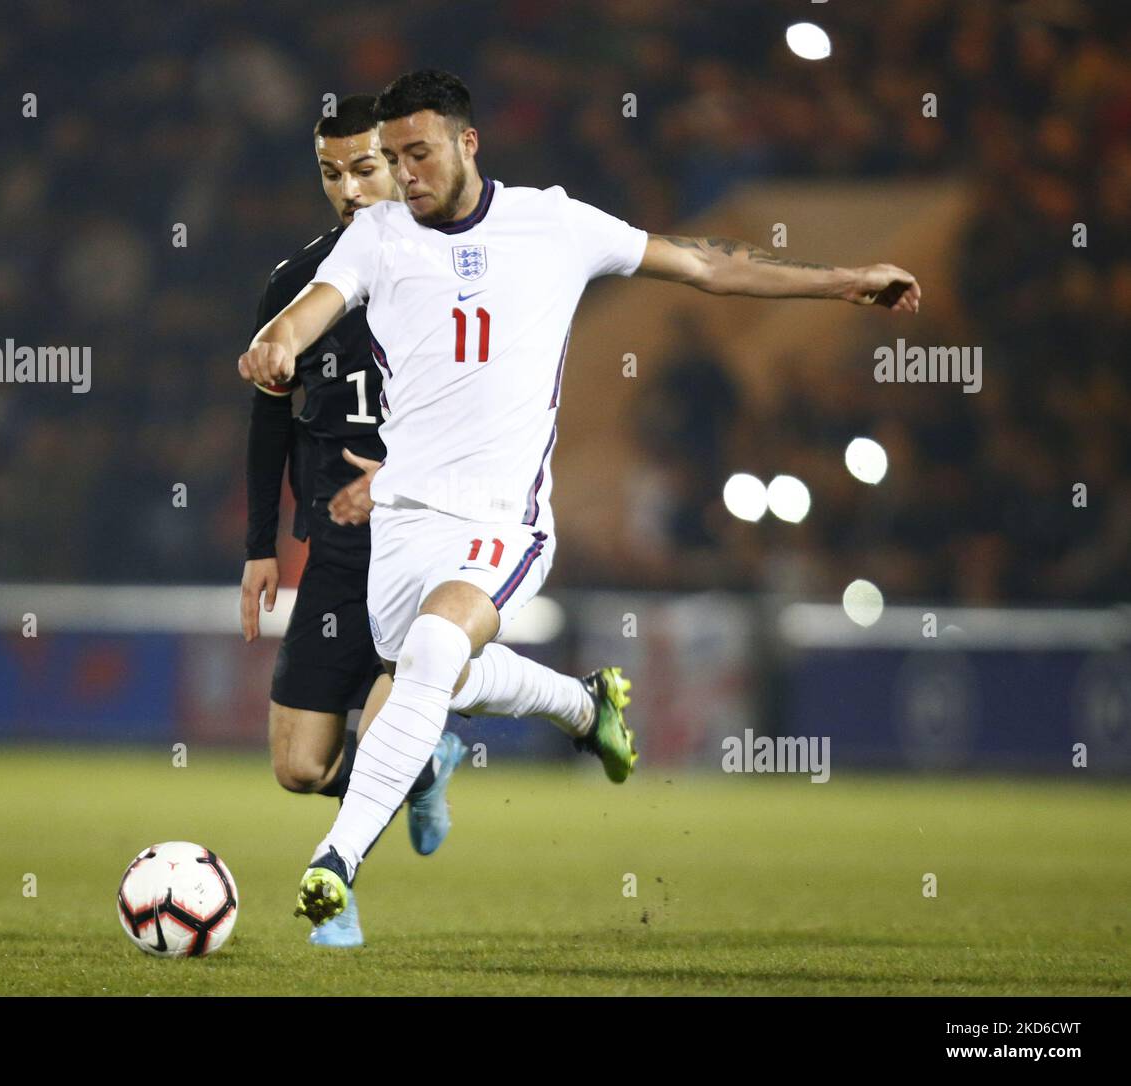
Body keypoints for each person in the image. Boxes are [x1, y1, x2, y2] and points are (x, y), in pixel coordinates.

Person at [238, 69, 920, 932]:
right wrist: (276, 343)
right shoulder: (377, 235)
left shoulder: (554, 224)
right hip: (403, 517)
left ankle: (335, 862)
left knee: (439, 646)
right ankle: (583, 704)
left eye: (418, 155)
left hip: (500, 522)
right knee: (430, 672)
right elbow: (311, 310)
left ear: (466, 143)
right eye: (395, 159)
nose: (404, 175)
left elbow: (706, 263)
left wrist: (844, 279)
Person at [242, 92, 636, 945]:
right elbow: (271, 409)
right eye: (330, 173)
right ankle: (468, 748)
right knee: (299, 764)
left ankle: (336, 896)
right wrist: (258, 545)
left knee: (422, 670)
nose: (350, 190)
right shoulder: (310, 279)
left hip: (429, 531)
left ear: (402, 162)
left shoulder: (466, 258)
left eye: (367, 167)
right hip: (338, 546)